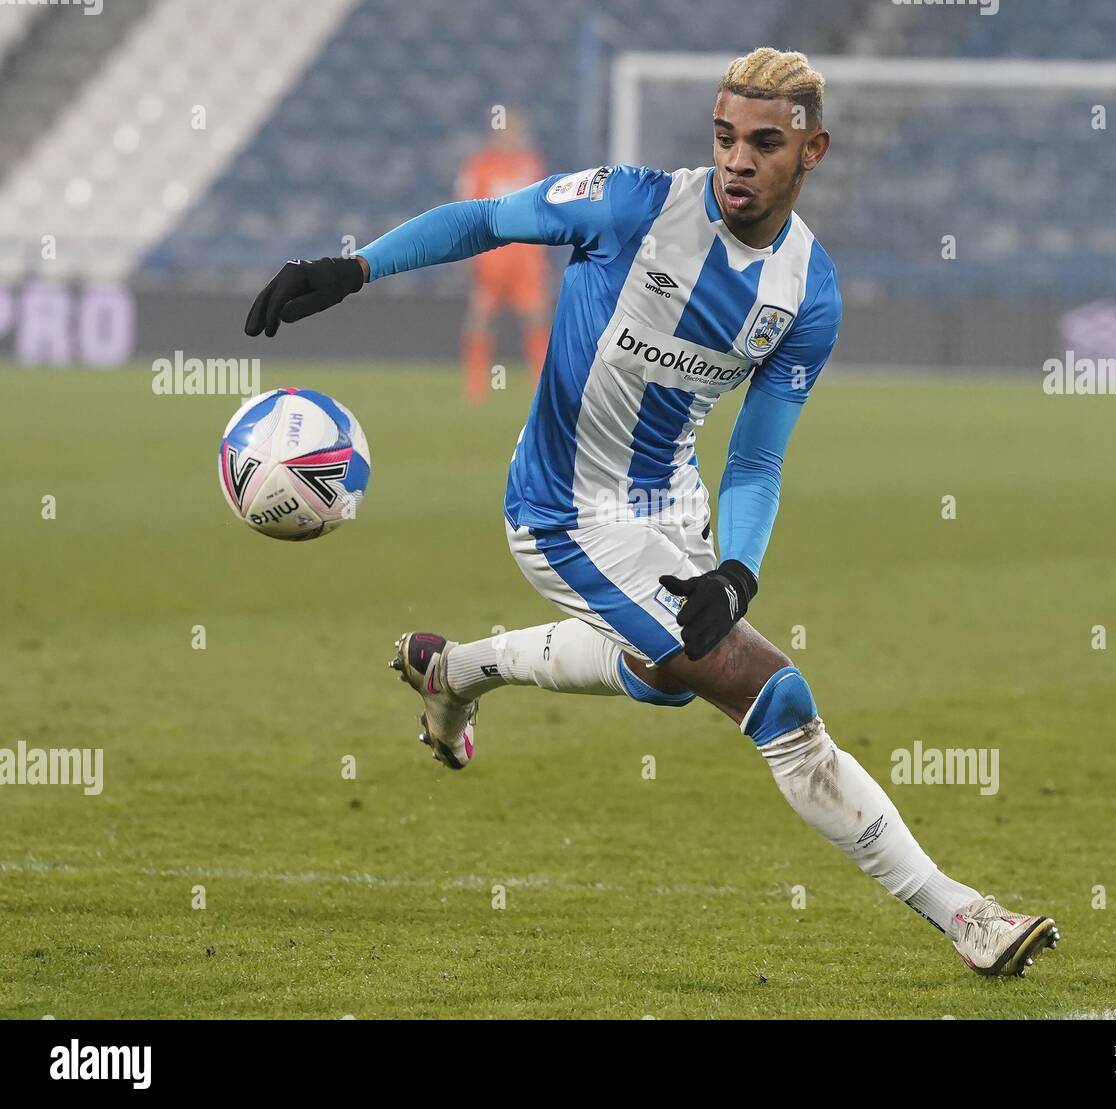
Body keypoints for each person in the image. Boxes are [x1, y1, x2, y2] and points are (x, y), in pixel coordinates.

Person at [244, 47, 1060, 977]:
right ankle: (965, 916)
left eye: (763, 143)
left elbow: (756, 454)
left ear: (813, 151)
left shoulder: (808, 292)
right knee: (774, 694)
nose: (738, 161)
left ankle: (455, 670)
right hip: (562, 510)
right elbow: (484, 218)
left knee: (667, 677)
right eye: (724, 138)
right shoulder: (632, 204)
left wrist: (737, 570)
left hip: (672, 501)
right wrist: (353, 267)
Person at [455, 109, 550, 401]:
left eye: (514, 130)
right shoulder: (480, 166)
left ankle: (541, 384)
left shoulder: (531, 164)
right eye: (504, 130)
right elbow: (465, 209)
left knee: (536, 318)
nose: (509, 136)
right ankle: (476, 386)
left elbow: (545, 209)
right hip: (492, 258)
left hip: (526, 257)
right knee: (480, 318)